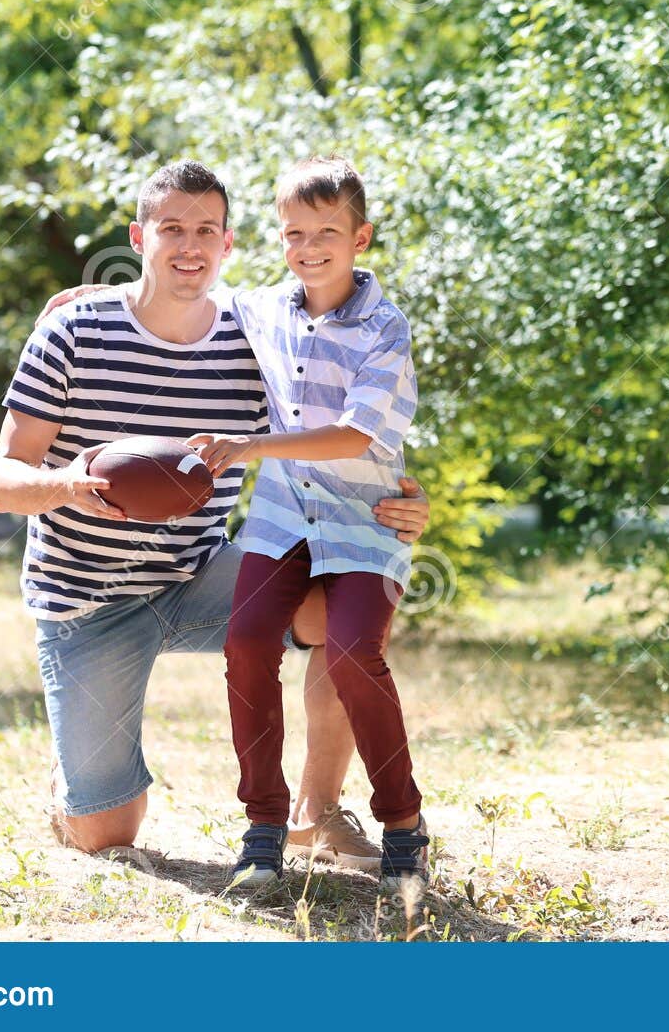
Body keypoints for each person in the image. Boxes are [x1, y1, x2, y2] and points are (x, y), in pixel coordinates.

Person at [0, 160, 430, 859]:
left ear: (228, 245)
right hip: (87, 604)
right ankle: (77, 784)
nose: (188, 246)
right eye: (171, 229)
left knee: (343, 606)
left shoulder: (253, 335)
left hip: (198, 575)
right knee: (106, 834)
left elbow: (333, 413)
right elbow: (4, 481)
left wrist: (407, 496)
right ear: (139, 236)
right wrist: (66, 483)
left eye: (206, 231)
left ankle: (318, 812)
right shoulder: (72, 331)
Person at [190, 156, 428, 892]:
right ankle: (264, 825)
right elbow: (187, 293)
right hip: (283, 518)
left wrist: (252, 446)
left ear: (361, 237)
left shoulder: (385, 328)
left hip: (366, 517)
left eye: (327, 230)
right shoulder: (263, 308)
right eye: (294, 232)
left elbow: (357, 436)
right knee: (246, 640)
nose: (309, 245)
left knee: (355, 652)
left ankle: (403, 824)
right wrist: (91, 295)